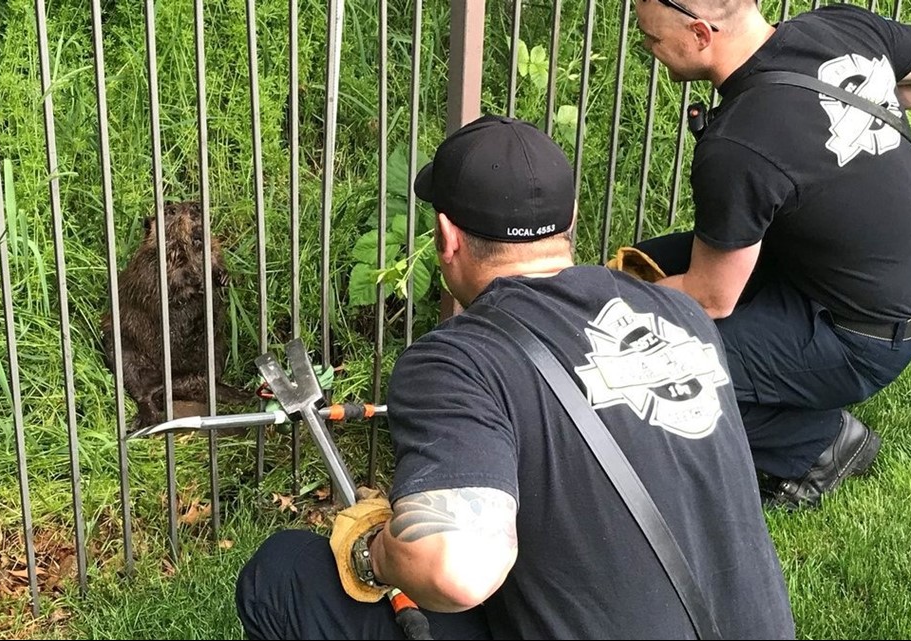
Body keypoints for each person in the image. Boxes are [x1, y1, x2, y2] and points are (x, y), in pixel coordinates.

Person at [235, 114, 795, 639]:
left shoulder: (459, 359)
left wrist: (373, 554)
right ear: (571, 222)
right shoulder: (678, 314)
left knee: (282, 573)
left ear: (446, 236)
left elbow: (460, 572)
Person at [626, 0, 911, 510]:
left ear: (700, 33)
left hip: (860, 333)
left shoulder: (738, 145)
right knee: (639, 269)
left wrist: (611, 320)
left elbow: (710, 298)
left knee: (651, 369)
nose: (647, 49)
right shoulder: (838, 26)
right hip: (835, 272)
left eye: (652, 39)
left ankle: (817, 446)